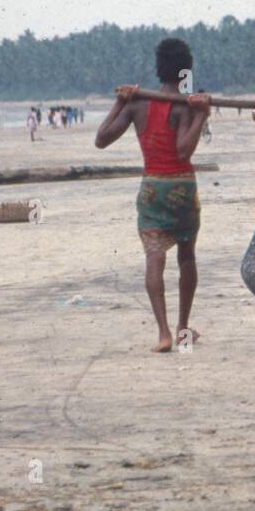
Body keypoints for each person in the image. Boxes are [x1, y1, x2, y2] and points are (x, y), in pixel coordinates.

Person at [95, 38, 211, 353]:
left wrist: (120, 103)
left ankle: (163, 333)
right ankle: (182, 328)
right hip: (182, 188)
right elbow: (184, 150)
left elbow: (101, 139)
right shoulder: (185, 106)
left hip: (152, 189)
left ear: (159, 68)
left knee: (154, 259)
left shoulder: (137, 104)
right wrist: (201, 115)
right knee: (186, 257)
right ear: (186, 70)